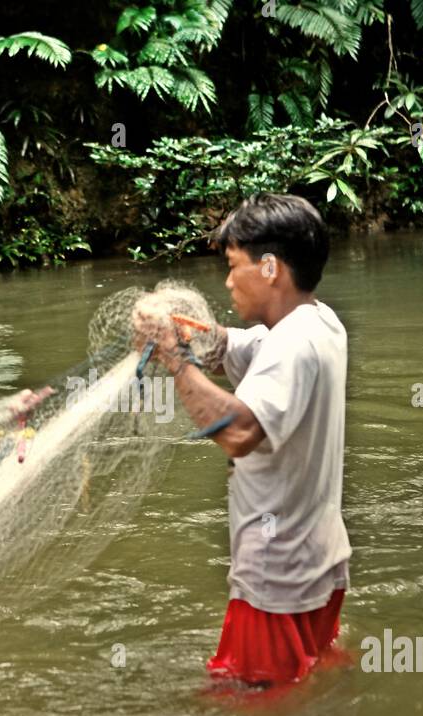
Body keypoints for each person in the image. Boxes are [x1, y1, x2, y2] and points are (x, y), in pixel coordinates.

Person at [133, 193, 351, 685]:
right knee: (312, 676)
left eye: (235, 266)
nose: (228, 281)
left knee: (247, 703)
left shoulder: (292, 345)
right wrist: (186, 334)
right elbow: (232, 344)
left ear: (270, 268)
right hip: (320, 560)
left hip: (277, 575)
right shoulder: (319, 323)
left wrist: (171, 357)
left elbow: (238, 432)